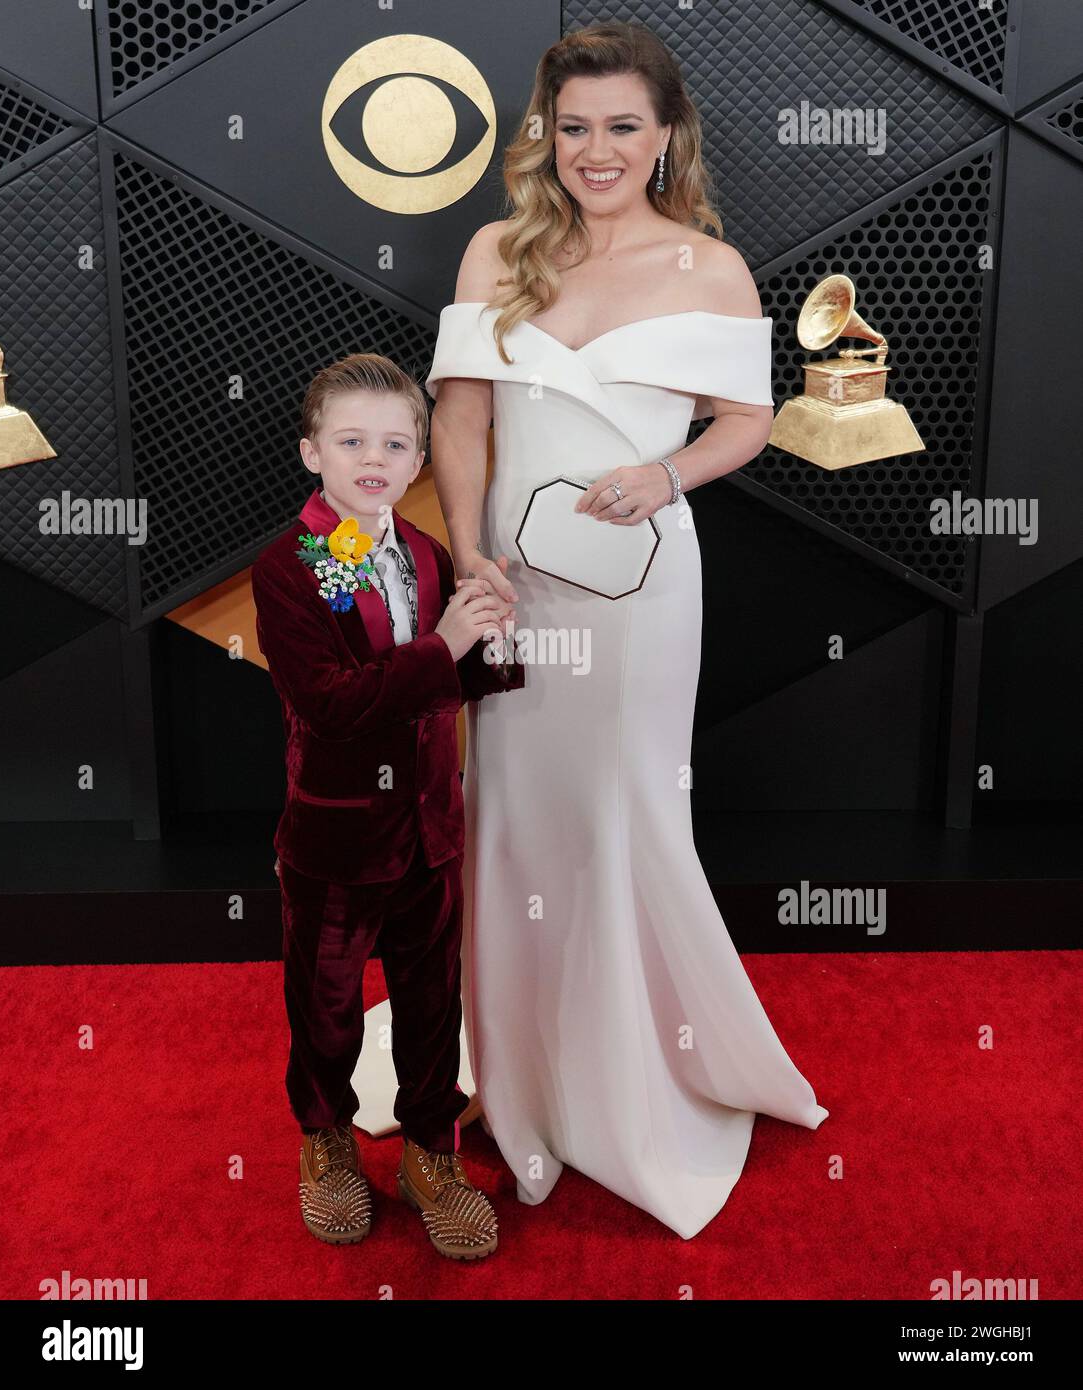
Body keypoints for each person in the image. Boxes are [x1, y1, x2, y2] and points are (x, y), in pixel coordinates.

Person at [422, 19, 829, 1240]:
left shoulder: (710, 267)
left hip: (642, 589)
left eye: (623, 128)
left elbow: (745, 421)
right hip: (514, 582)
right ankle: (520, 1078)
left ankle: (626, 1080)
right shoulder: (496, 250)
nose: (597, 152)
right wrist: (465, 554)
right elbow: (460, 422)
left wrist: (669, 476)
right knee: (512, 810)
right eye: (575, 126)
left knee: (621, 808)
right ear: (545, 133)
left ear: (665, 135)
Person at [251, 351, 523, 1258]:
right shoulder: (289, 565)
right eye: (351, 439)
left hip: (430, 831)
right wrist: (441, 644)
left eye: (395, 443)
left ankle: (428, 1153)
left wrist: (488, 629)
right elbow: (330, 706)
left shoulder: (426, 554)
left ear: (415, 465)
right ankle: (326, 1144)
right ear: (311, 453)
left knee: (429, 1003)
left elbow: (456, 681)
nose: (374, 457)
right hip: (334, 837)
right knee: (326, 1006)